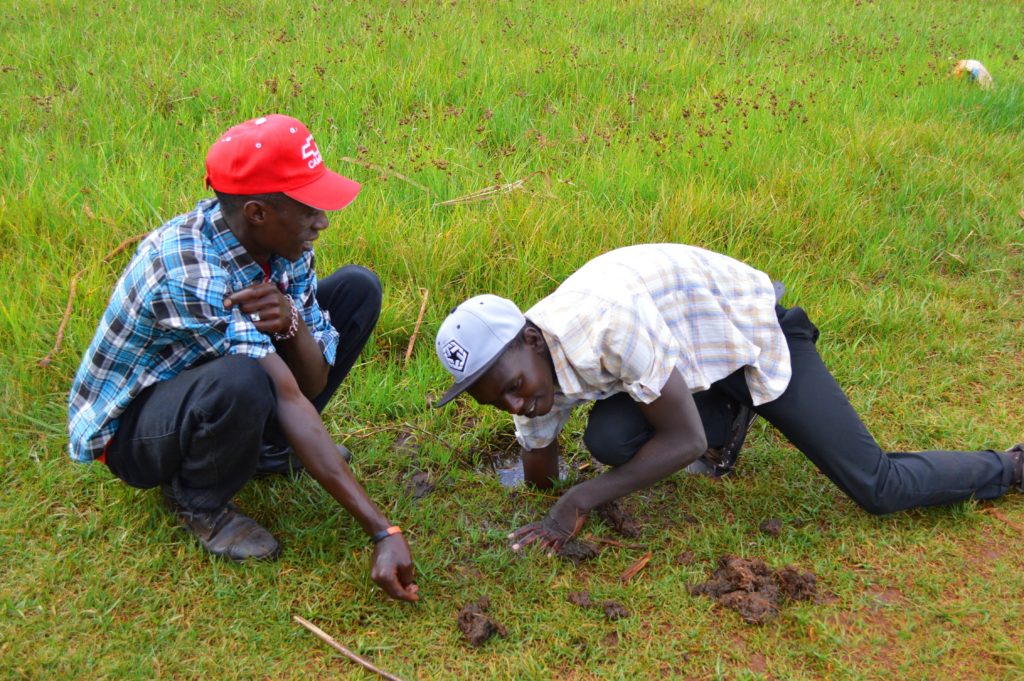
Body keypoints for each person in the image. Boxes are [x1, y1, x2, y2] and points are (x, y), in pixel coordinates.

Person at [433, 244, 1023, 552]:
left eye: (514, 388)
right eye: (498, 402)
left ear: (532, 338)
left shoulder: (602, 327)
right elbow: (538, 449)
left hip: (753, 338)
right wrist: (543, 504)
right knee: (609, 438)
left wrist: (580, 501)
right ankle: (731, 415)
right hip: (693, 362)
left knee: (876, 486)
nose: (516, 404)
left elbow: (684, 441)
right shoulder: (535, 373)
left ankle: (1011, 467)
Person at [68, 114, 418, 601]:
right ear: (257, 213)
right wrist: (383, 531)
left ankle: (267, 451)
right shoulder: (187, 270)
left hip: (204, 383)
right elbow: (288, 392)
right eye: (309, 207)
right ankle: (198, 502)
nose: (323, 220)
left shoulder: (285, 247)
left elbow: (312, 383)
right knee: (245, 379)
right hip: (135, 432)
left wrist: (291, 319)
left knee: (358, 288)